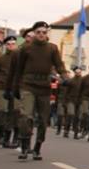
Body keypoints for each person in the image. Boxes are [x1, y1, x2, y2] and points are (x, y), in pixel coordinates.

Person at [5, 21, 69, 160]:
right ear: (34, 33)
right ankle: (24, 145)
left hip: (44, 87)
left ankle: (37, 147)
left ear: (47, 34)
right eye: (38, 32)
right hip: (27, 85)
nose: (41, 34)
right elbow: (18, 70)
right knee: (26, 116)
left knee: (43, 119)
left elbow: (59, 65)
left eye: (44, 32)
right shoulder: (25, 49)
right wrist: (14, 88)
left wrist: (65, 76)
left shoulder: (52, 48)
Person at [0, 35, 19, 148]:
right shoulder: (0, 59)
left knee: (16, 112)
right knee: (3, 111)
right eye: (8, 44)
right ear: (5, 46)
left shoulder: (21, 57)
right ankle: (2, 135)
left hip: (16, 88)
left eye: (13, 44)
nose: (11, 46)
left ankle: (15, 137)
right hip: (1, 88)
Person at [63, 67, 84, 138]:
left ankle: (76, 133)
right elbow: (66, 92)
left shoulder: (83, 80)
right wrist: (65, 101)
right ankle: (66, 130)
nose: (78, 73)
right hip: (71, 100)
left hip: (80, 101)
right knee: (70, 114)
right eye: (77, 72)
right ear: (75, 73)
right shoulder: (71, 81)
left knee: (78, 117)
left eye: (79, 72)